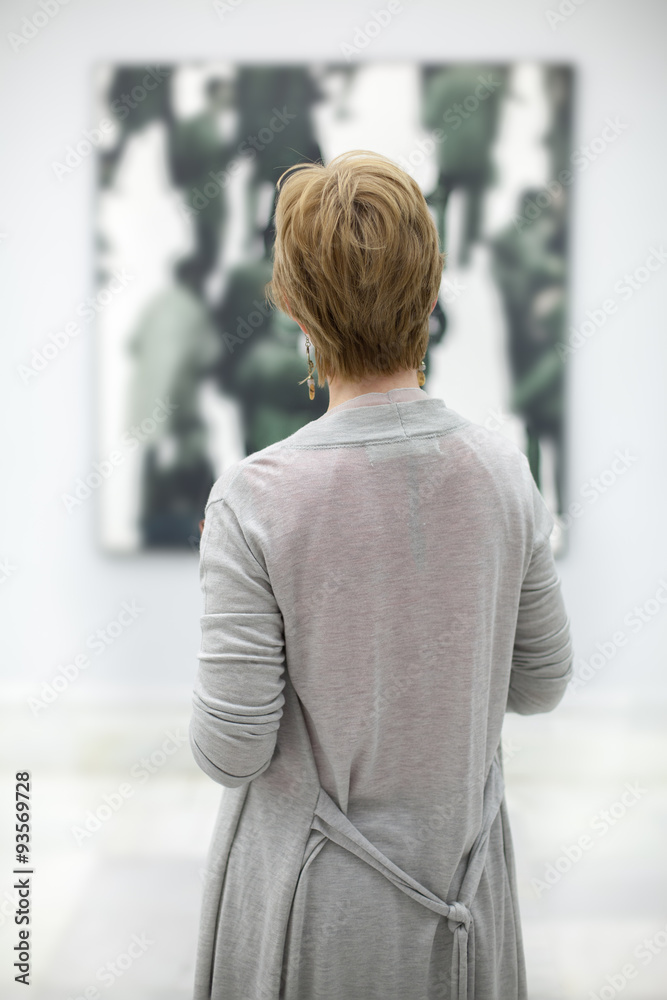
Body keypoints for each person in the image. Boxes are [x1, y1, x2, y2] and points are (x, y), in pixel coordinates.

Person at [188, 150, 574, 1000]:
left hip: (315, 920)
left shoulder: (256, 498)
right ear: (430, 289)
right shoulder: (504, 471)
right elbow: (541, 683)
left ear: (292, 301)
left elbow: (231, 749)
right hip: (464, 896)